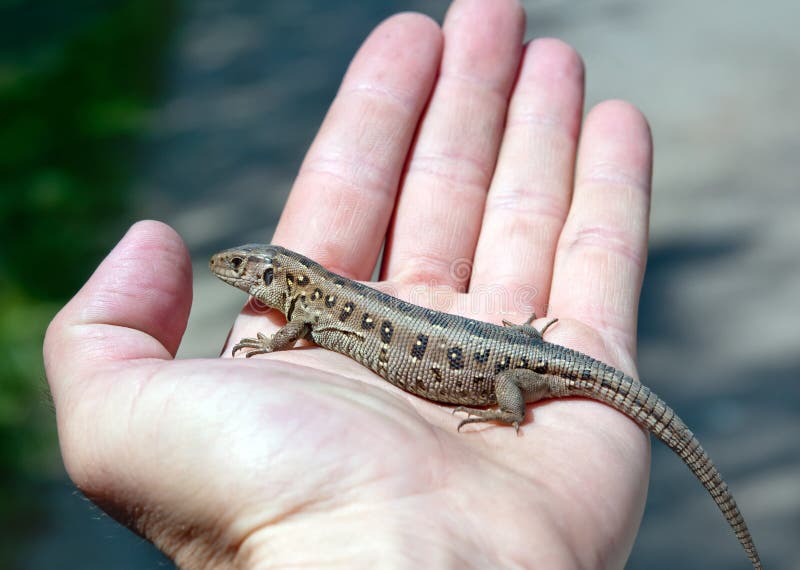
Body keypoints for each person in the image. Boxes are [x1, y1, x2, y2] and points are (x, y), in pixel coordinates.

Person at [44, 0, 653, 566]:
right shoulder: (313, 299)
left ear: (273, 277)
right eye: (237, 267)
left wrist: (271, 344)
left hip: (517, 368)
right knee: (517, 358)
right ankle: (520, 365)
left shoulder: (306, 311)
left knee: (511, 385)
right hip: (516, 354)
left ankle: (511, 411)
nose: (231, 273)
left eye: (243, 269)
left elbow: (297, 329)